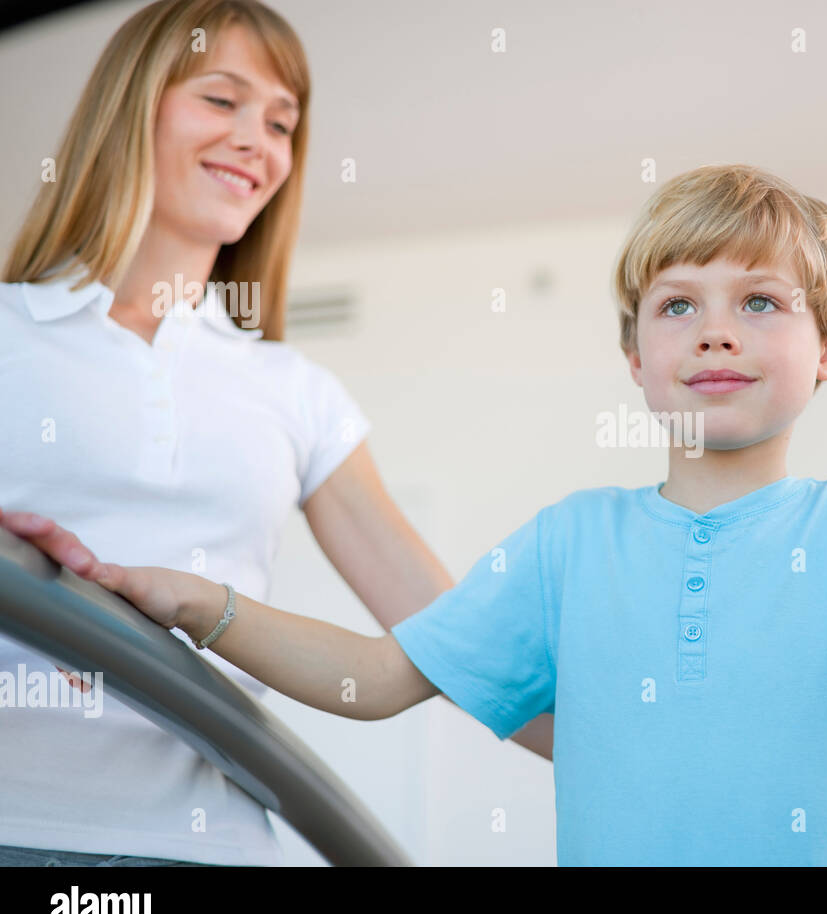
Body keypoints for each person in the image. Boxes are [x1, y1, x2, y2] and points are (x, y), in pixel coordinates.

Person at [3, 163, 827, 864]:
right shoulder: (567, 544)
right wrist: (195, 600)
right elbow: (380, 677)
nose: (716, 324)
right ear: (635, 357)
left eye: (760, 300)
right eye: (678, 302)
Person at [0, 0, 551, 869]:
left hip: (212, 845)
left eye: (282, 122)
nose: (258, 141)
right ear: (129, 108)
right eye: (222, 101)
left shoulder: (294, 392)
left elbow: (453, 637)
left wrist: (649, 741)